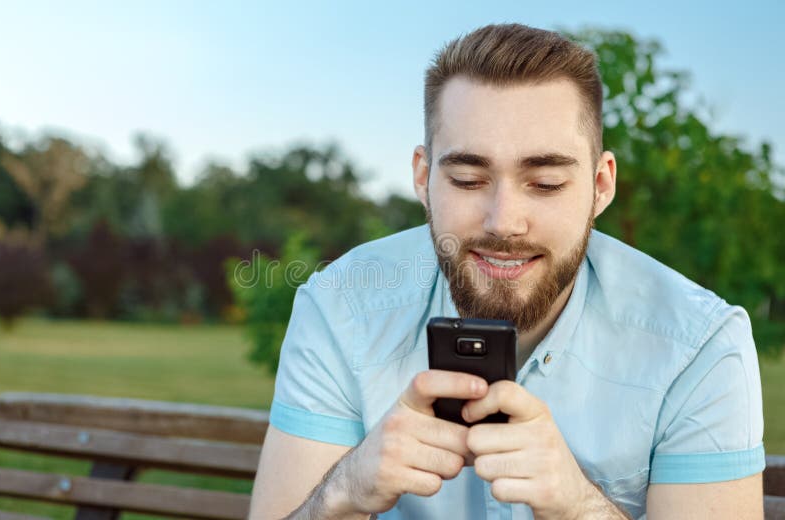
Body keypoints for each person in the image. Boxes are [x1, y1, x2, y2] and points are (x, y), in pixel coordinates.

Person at [248, 23, 765, 519]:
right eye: (469, 180)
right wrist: (345, 488)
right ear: (424, 179)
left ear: (601, 187)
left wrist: (579, 507)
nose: (504, 223)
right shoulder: (340, 306)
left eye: (545, 183)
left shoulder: (699, 346)